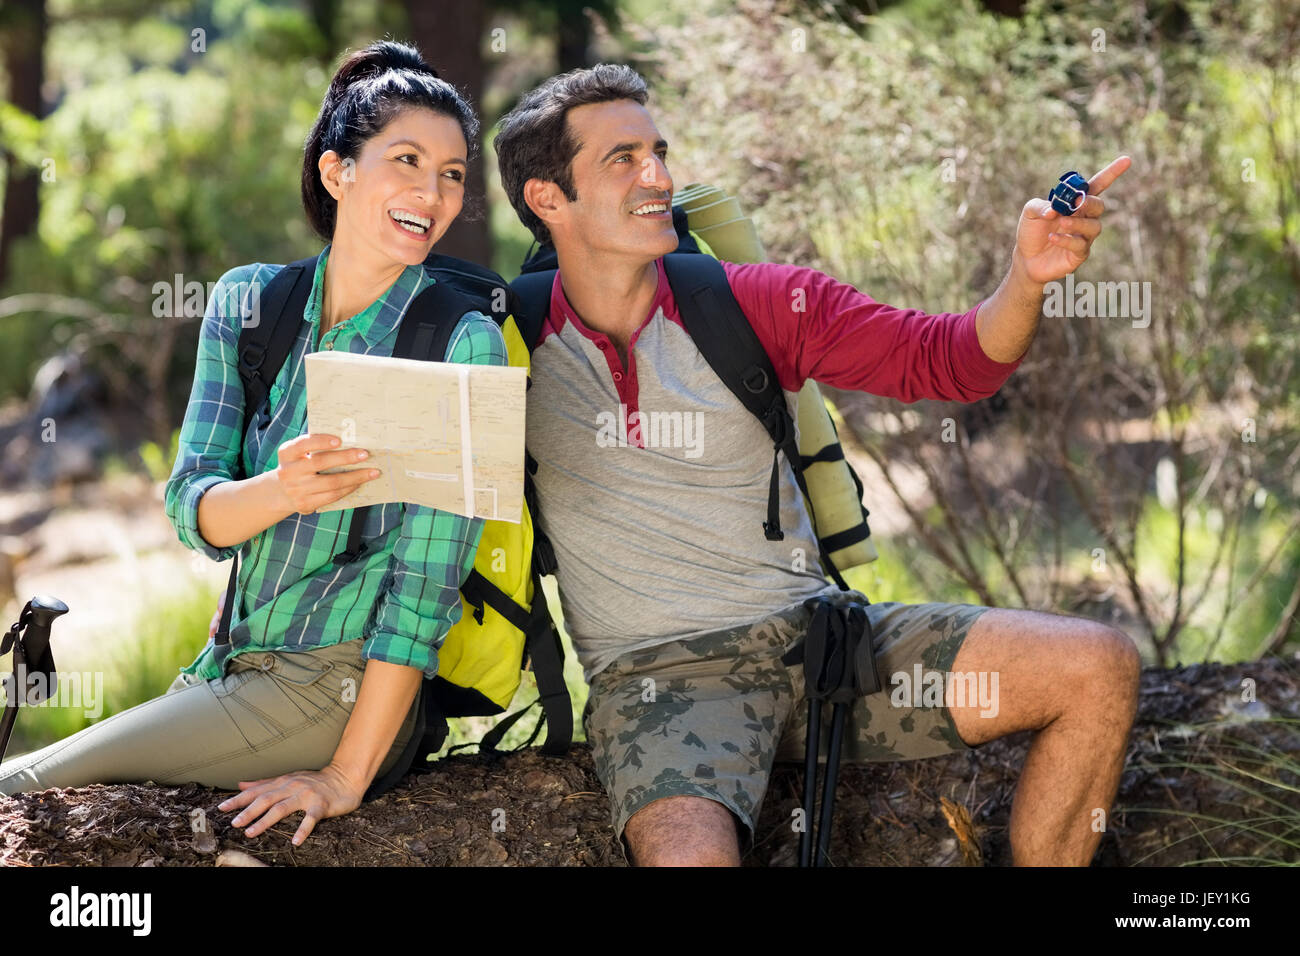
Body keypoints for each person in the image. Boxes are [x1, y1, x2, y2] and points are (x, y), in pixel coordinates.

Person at [491, 64, 1139, 866]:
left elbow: (951, 363)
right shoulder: (501, 348)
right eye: (622, 160)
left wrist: (1024, 278)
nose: (659, 176)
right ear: (547, 199)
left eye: (657, 150)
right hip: (664, 683)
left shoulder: (752, 303)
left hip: (827, 647)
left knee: (1096, 667)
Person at [0, 40, 506, 848]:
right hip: (230, 669)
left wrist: (345, 776)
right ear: (338, 172)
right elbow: (193, 510)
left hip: (338, 688)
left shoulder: (459, 341)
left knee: (21, 784)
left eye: (451, 173)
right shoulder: (250, 303)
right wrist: (282, 489)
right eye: (406, 159)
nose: (433, 192)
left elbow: (424, 590)